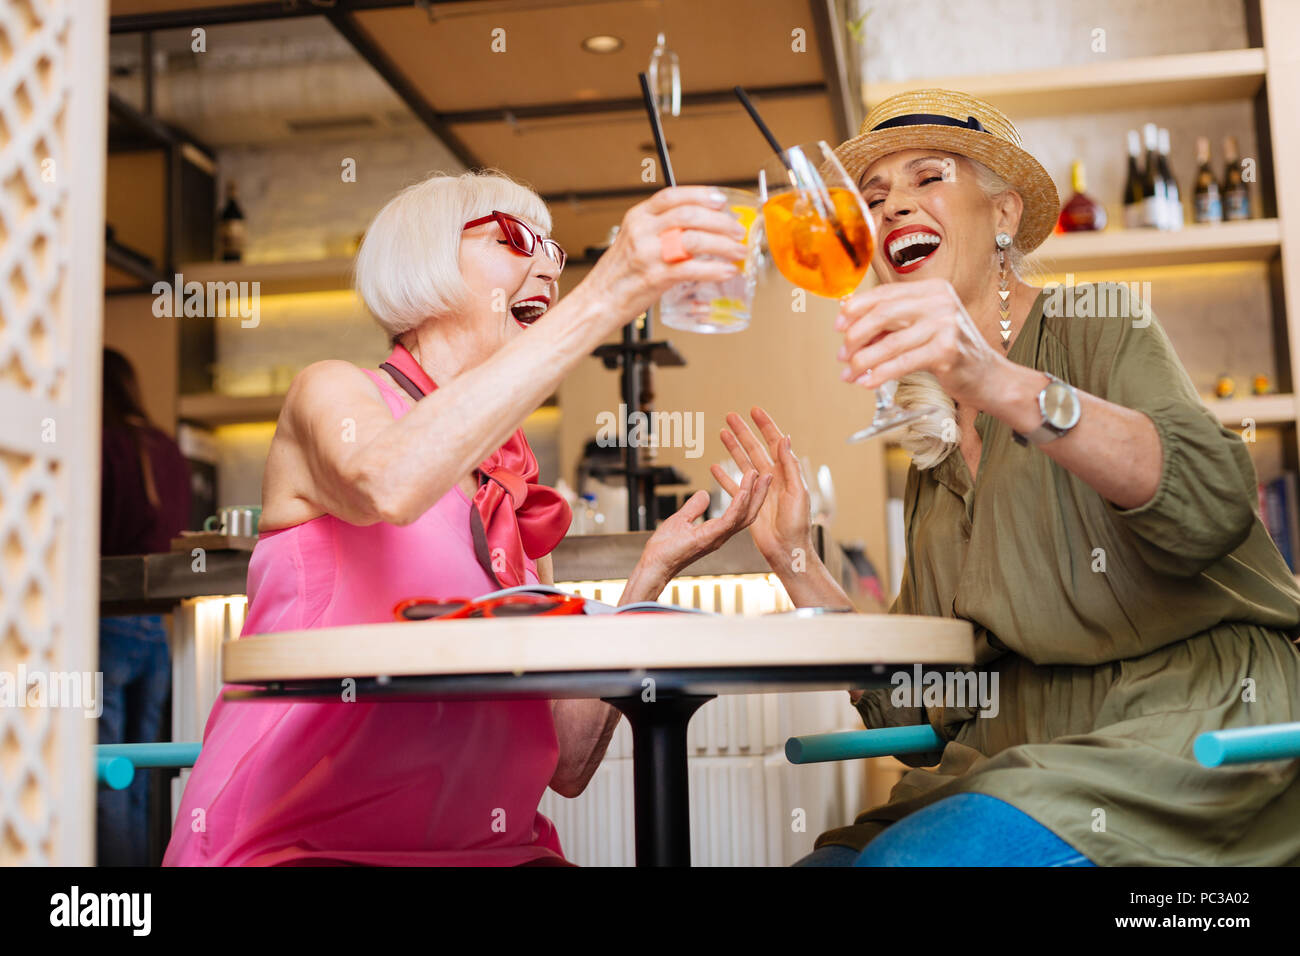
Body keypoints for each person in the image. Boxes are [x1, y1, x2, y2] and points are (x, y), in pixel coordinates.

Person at [710, 89, 1300, 866]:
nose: (894, 210)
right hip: (1011, 759)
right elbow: (922, 709)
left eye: (928, 179)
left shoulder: (1097, 326)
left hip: (1182, 735)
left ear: (1002, 216)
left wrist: (993, 380)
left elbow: (1210, 500)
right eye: (875, 198)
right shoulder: (932, 444)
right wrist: (794, 559)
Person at [163, 170, 771, 866]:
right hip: (304, 849)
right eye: (516, 238)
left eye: (554, 250)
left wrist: (651, 573)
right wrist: (610, 290)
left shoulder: (513, 487)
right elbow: (389, 481)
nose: (546, 261)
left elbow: (566, 765)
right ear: (422, 263)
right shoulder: (332, 392)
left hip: (493, 852)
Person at [99, 347, 192, 865]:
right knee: (139, 775)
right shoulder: (165, 447)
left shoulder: (100, 444)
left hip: (103, 624)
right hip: (156, 629)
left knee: (104, 773)